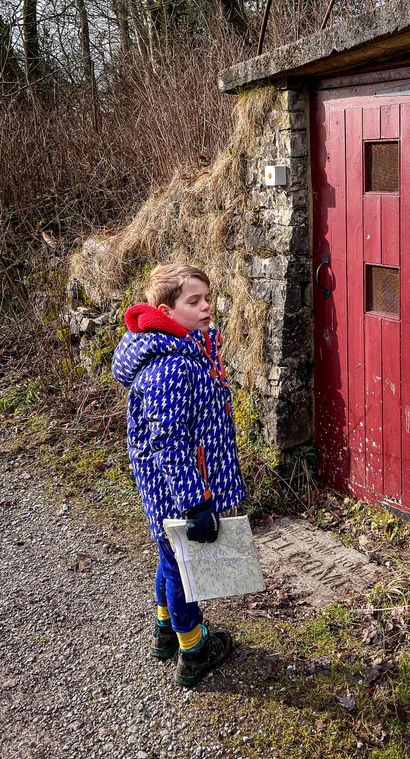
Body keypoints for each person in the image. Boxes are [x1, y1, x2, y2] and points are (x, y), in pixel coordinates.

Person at [111, 262, 246, 686]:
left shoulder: (186, 348)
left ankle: (164, 630)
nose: (207, 307)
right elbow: (169, 442)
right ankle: (194, 649)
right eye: (194, 301)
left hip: (178, 483)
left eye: (208, 298)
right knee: (181, 568)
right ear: (166, 312)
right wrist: (196, 503)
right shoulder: (170, 366)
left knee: (170, 557)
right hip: (178, 488)